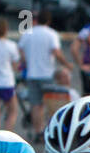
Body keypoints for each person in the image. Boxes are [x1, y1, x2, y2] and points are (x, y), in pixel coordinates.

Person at [18, 9, 69, 140]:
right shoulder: (51, 34)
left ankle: (37, 131)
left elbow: (21, 51)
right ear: (49, 20)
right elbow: (56, 52)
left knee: (35, 104)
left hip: (32, 74)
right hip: (47, 74)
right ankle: (50, 131)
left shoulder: (28, 34)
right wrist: (67, 64)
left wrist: (26, 61)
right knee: (50, 104)